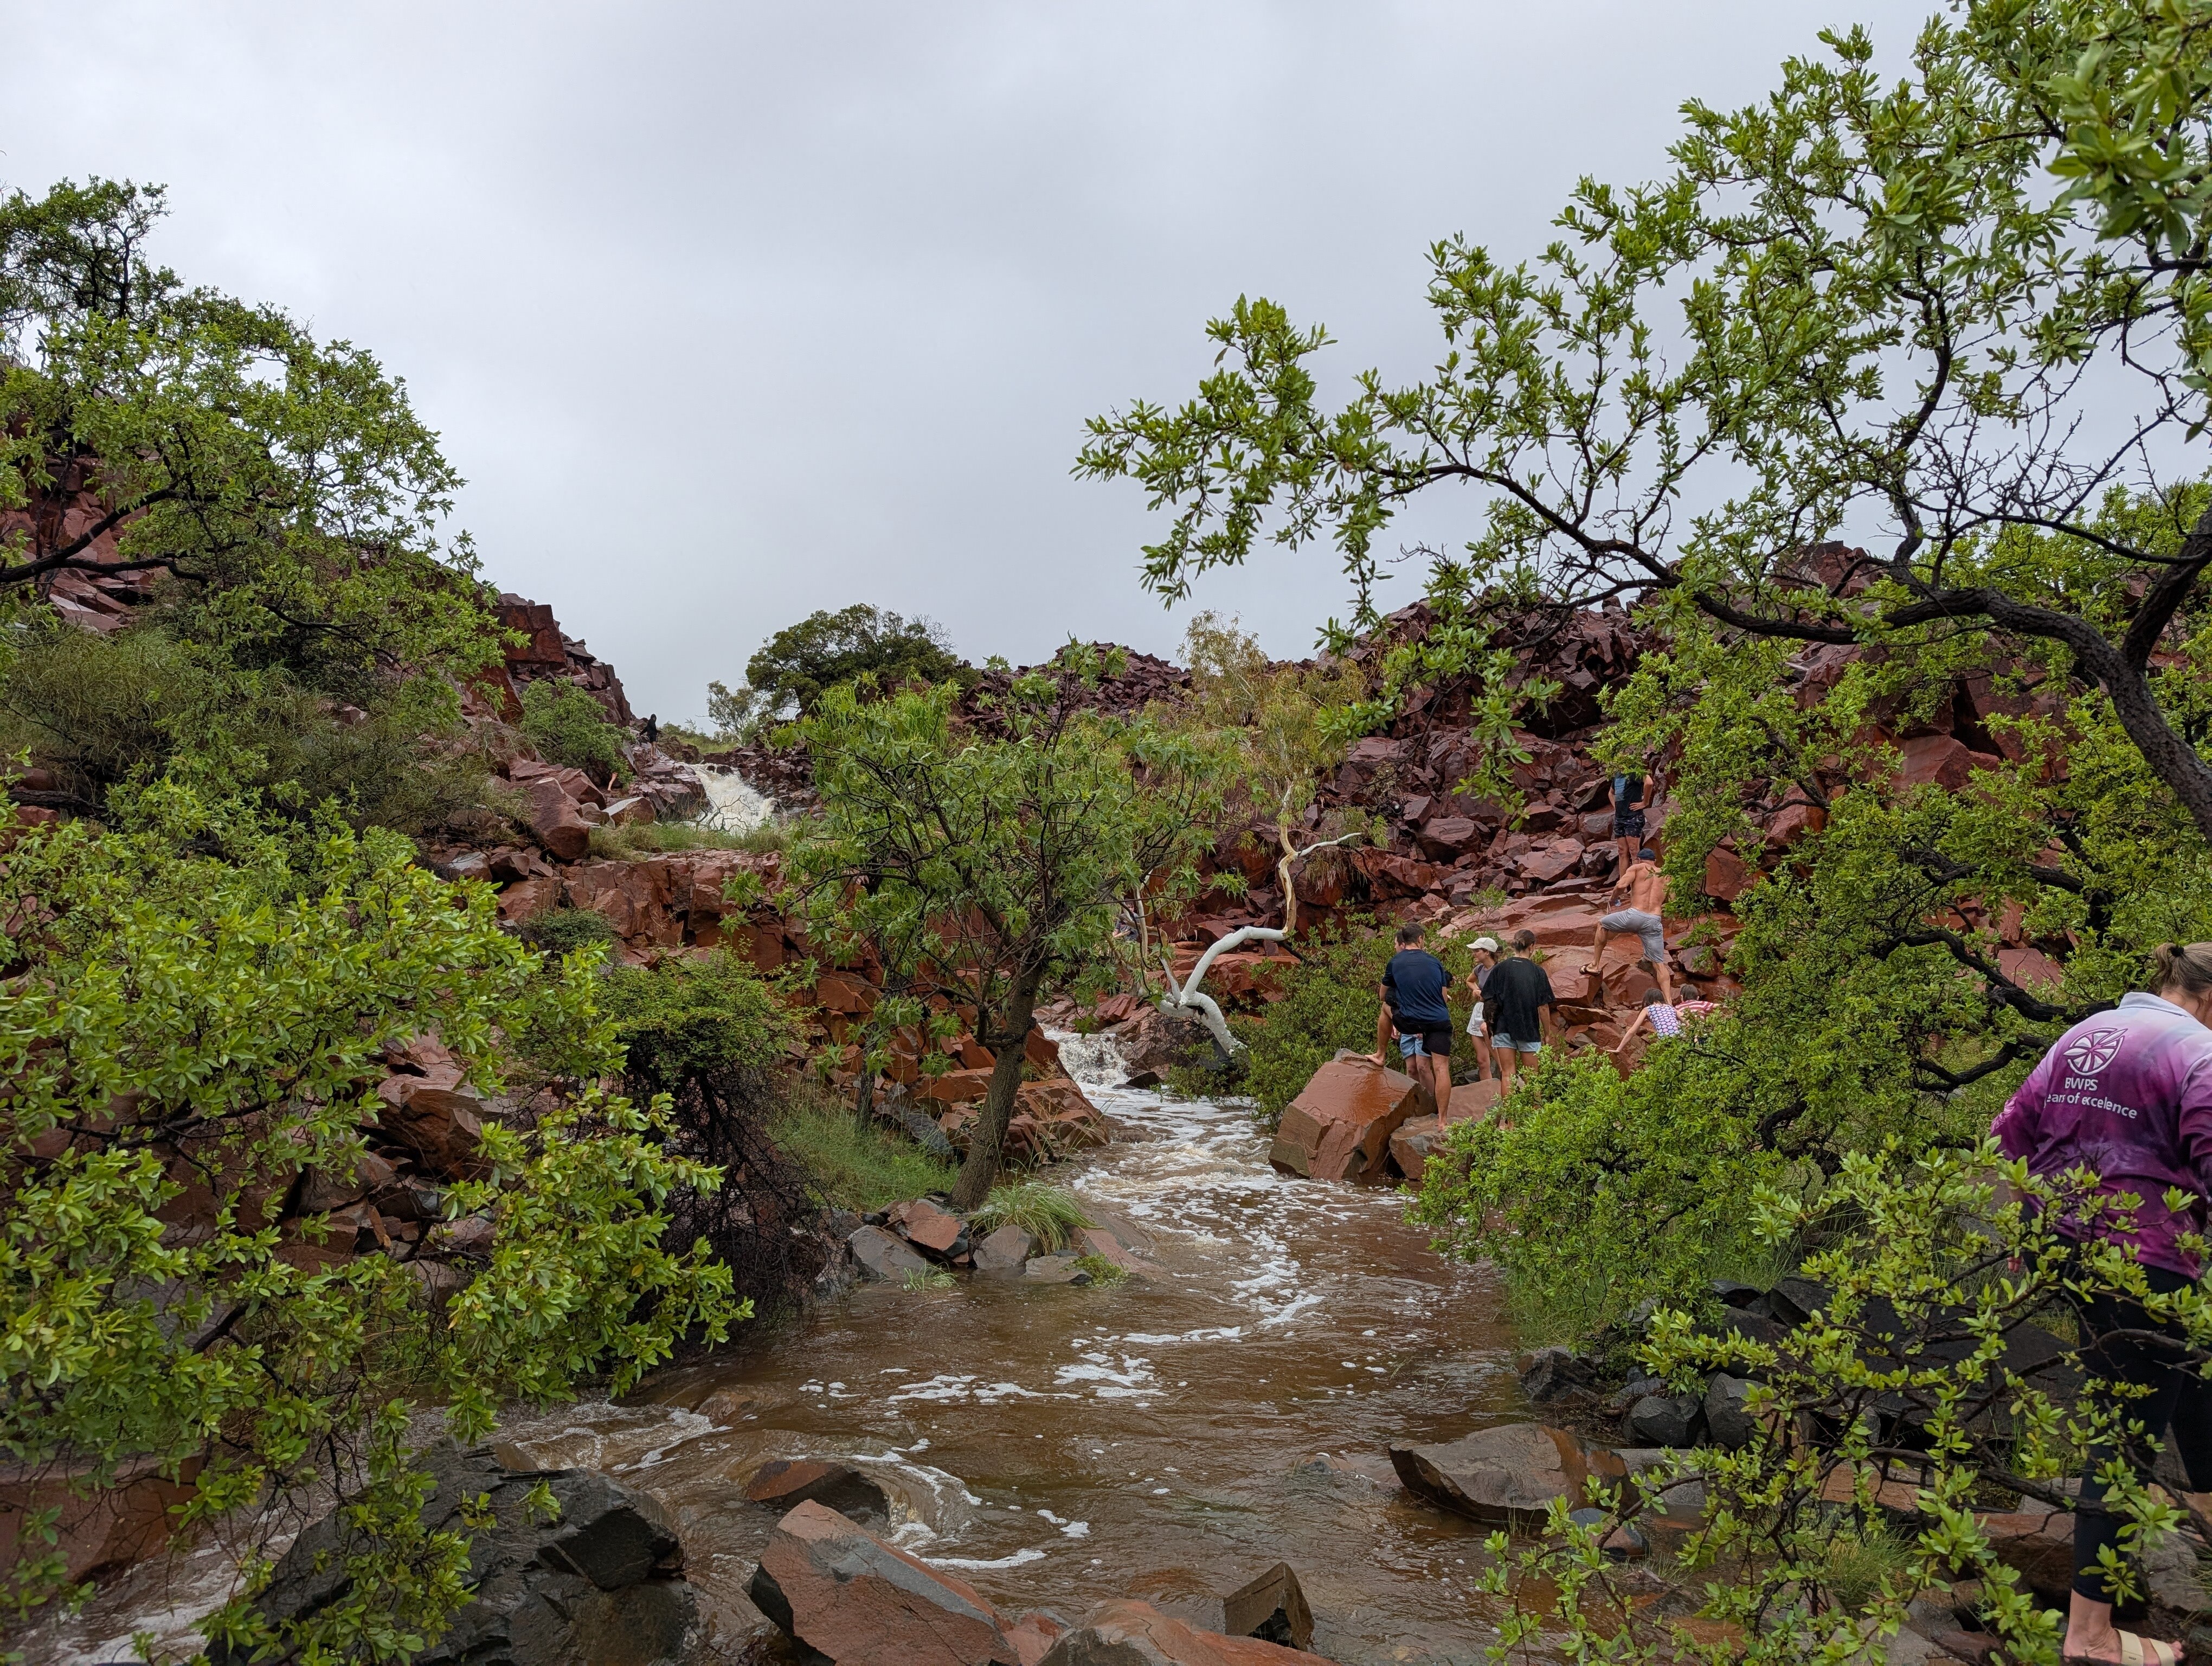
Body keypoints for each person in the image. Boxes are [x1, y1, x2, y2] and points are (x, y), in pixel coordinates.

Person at [1993, 942, 2212, 1666]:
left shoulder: (2083, 1033)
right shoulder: (2199, 1053)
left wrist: (2031, 1228)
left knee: (2190, 1381)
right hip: (2148, 1255)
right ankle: (2088, 1635)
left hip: (2069, 1244)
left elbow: (2005, 1137)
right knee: (2126, 1435)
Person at [1374, 922, 1452, 1114]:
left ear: (1403, 941)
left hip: (1411, 1020)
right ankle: (1442, 1120)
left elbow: (1383, 996)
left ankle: (1380, 1054)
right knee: (1441, 1068)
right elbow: (1443, 998)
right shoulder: (1435, 962)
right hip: (1439, 1020)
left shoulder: (1396, 962)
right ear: (1420, 939)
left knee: (1385, 1008)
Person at [1480, 929, 1558, 1092]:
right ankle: (1535, 1114)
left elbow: (1486, 997)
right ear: (1531, 947)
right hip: (1528, 1028)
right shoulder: (1537, 972)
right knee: (1533, 1076)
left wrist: (1491, 1025)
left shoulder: (1500, 969)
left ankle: (1511, 1118)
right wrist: (1547, 1034)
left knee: (1508, 1074)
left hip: (1503, 1027)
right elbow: (1543, 1007)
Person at [1593, 848, 1674, 1005]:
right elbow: (1673, 900)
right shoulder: (1666, 875)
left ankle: (1594, 965)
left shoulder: (1636, 868)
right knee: (1659, 963)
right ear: (1654, 862)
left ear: (1639, 860)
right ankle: (1670, 1003)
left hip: (1635, 915)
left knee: (1602, 924)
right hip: (1654, 919)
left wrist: (1613, 899)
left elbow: (1621, 885)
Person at [1464, 935, 1500, 1081]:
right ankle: (1487, 1091)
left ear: (1487, 952)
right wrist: (1477, 990)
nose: (1474, 953)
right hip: (1479, 1010)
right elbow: (1469, 981)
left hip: (1492, 1012)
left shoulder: (1499, 970)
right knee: (1482, 1061)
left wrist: (1483, 994)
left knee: (1496, 1050)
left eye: (1477, 950)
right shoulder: (1479, 969)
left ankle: (1506, 1076)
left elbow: (1500, 993)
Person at [1610, 768, 1652, 874]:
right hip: (1620, 818)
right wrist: (1616, 807)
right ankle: (1622, 887)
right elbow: (1611, 793)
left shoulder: (1635, 770)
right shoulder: (1617, 773)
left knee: (1634, 851)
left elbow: (1649, 783)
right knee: (1622, 851)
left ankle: (1636, 887)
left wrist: (1645, 802)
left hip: (1633, 817)